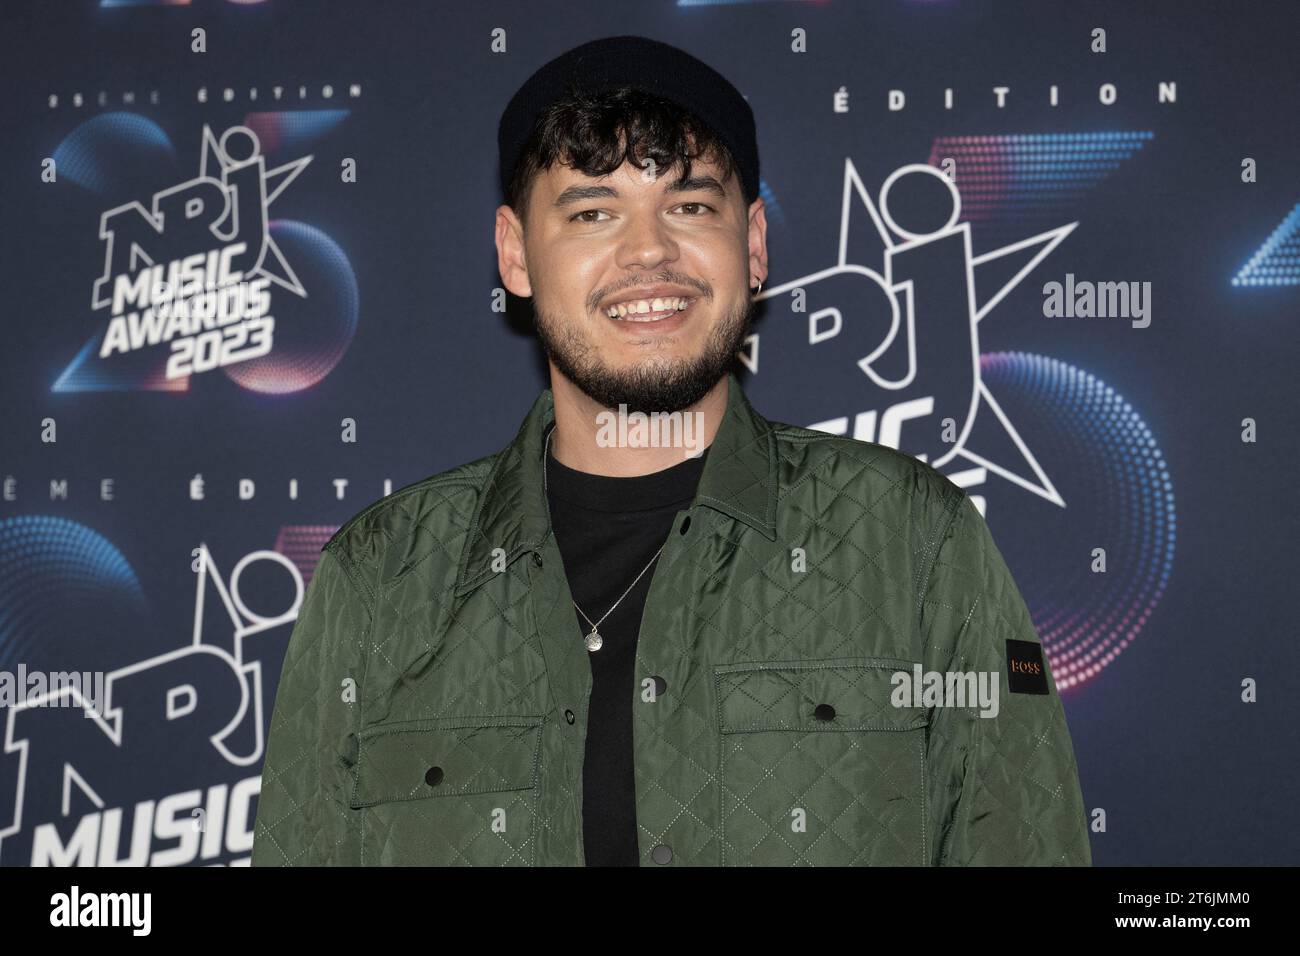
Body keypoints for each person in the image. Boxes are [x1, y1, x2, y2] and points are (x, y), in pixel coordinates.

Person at [251, 34, 1090, 867]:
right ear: (514, 255)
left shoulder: (913, 541)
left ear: (753, 244)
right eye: (591, 212)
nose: (648, 252)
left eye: (690, 205)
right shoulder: (378, 581)